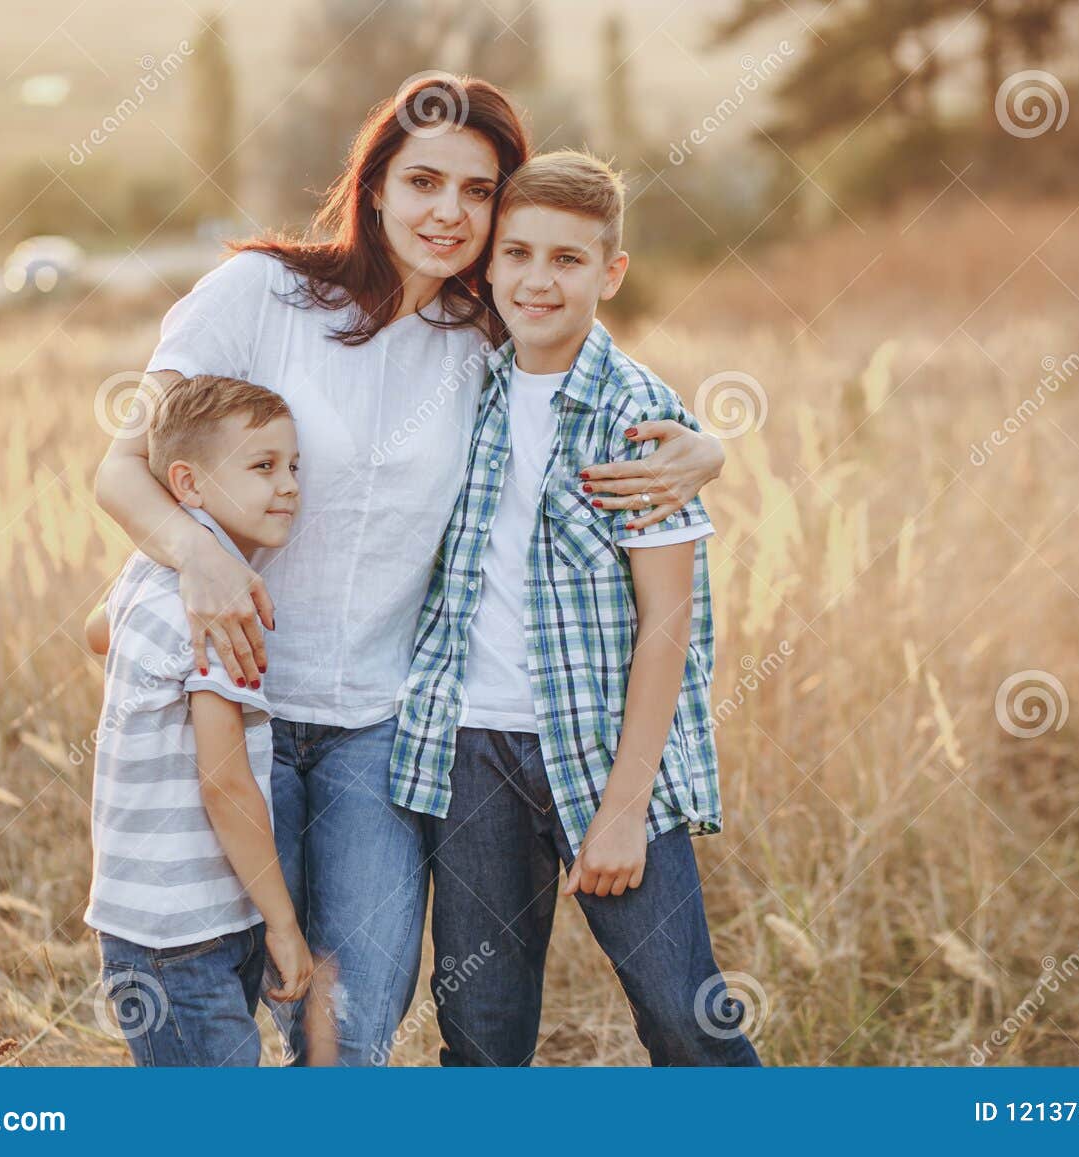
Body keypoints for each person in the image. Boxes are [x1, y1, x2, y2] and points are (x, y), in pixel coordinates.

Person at [92, 76, 728, 1065]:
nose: (448, 212)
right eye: (423, 180)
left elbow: (592, 373)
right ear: (374, 183)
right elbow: (122, 464)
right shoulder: (261, 293)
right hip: (233, 702)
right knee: (204, 997)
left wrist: (707, 444)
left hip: (377, 730)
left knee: (353, 1025)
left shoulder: (482, 339)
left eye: (478, 192)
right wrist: (197, 558)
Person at [392, 151, 761, 1066]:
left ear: (611, 271)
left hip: (603, 756)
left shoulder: (638, 415)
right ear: (489, 265)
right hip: (469, 750)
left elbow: (669, 623)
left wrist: (625, 806)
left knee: (683, 1013)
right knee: (480, 1029)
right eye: (516, 253)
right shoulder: (463, 388)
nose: (537, 279)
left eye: (567, 259)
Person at [85, 374, 314, 1066]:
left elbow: (97, 630)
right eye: (263, 466)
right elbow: (224, 782)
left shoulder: (152, 570)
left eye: (294, 465)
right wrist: (283, 922)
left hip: (170, 919)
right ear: (187, 483)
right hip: (180, 936)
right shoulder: (219, 608)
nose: (290, 485)